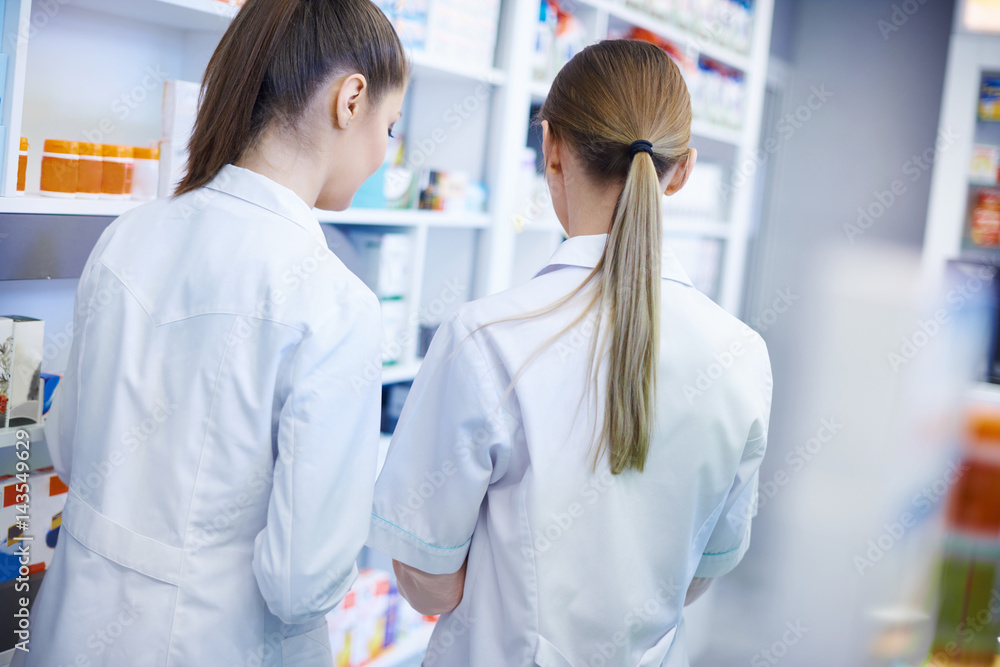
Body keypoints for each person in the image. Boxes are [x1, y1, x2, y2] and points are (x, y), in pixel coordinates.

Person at [15, 1, 407, 665]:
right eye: (390, 127)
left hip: (71, 634)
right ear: (350, 100)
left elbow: (73, 451)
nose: (383, 152)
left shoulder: (127, 237)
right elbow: (301, 581)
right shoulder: (335, 302)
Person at [366, 39, 772, 666]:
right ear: (683, 170)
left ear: (550, 148)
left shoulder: (486, 338)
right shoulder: (741, 355)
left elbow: (427, 581)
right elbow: (700, 572)